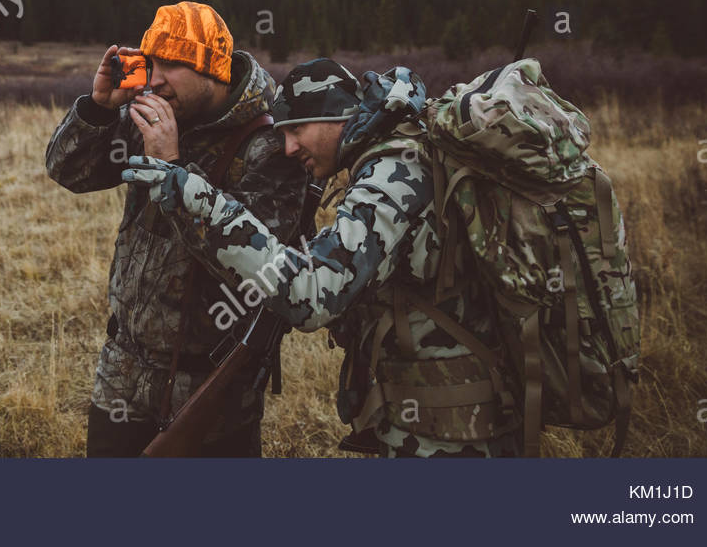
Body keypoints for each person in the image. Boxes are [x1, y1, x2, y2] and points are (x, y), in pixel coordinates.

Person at [122, 57, 524, 457]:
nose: (289, 147)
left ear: (338, 115)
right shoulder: (394, 150)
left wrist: (205, 205)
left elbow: (314, 295)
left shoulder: (394, 173)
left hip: (454, 427)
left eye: (297, 129)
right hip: (436, 412)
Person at [45, 2, 308, 457]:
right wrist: (100, 110)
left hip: (212, 388)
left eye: (173, 64)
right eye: (152, 62)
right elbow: (69, 171)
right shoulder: (156, 111)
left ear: (213, 70)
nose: (156, 78)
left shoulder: (270, 143)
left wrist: (172, 169)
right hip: (123, 370)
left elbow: (258, 273)